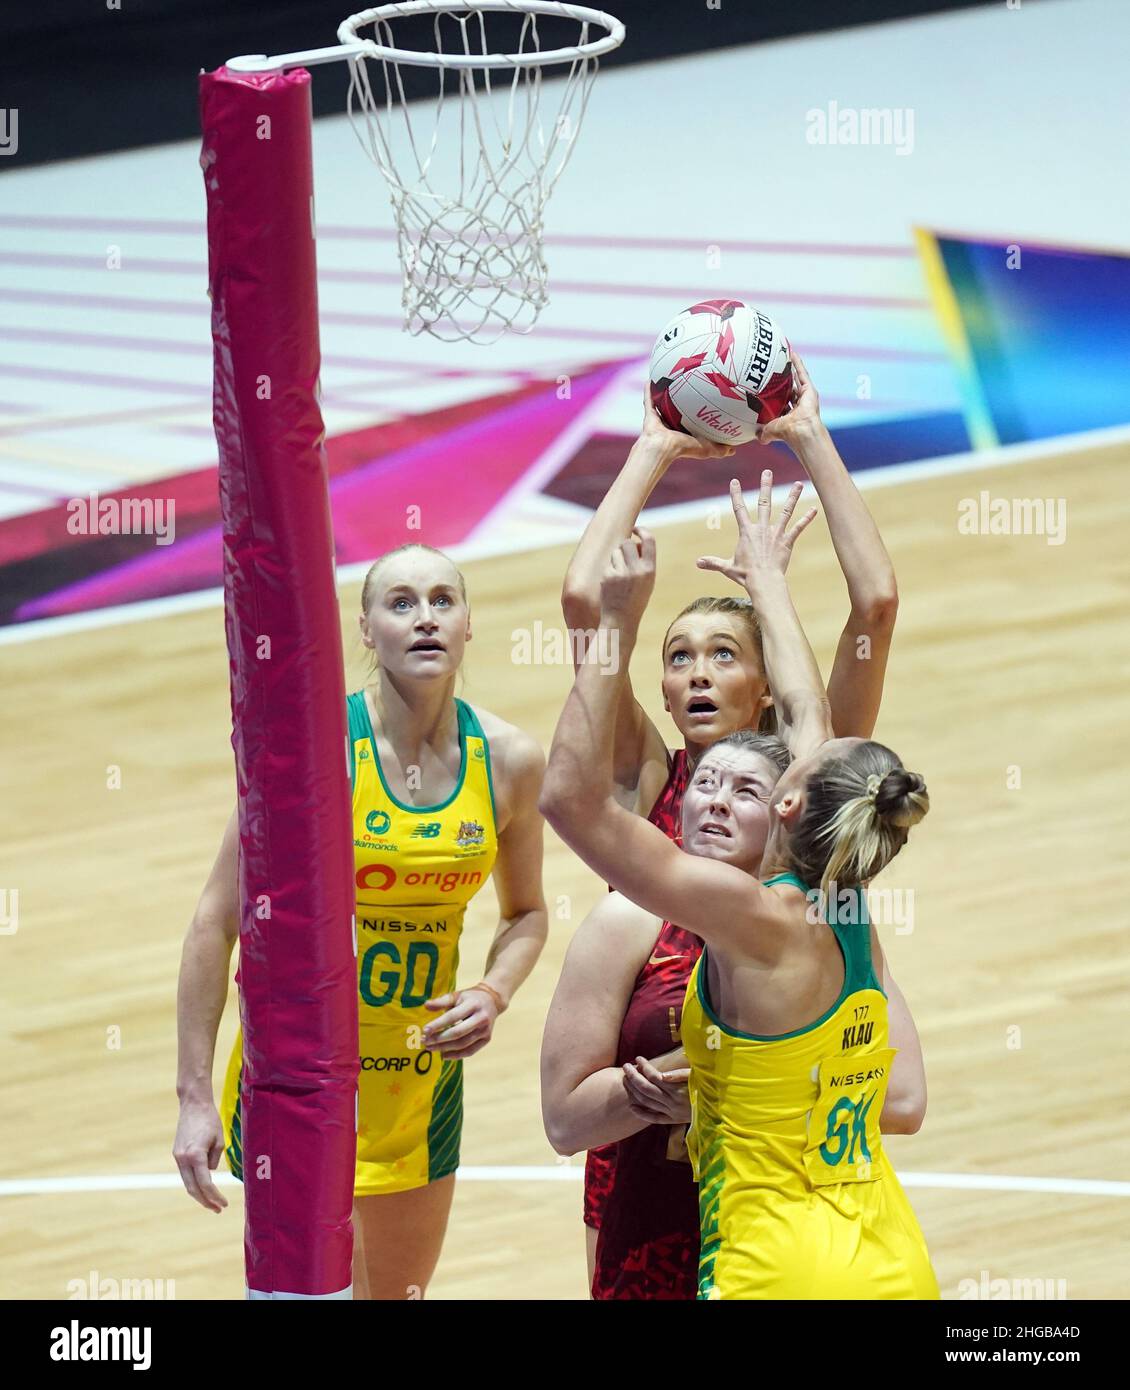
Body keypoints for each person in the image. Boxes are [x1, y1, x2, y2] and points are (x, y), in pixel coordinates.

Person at [558, 356, 919, 1294]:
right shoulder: (648, 775)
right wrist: (650, 447)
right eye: (678, 657)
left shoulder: (808, 791)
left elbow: (874, 609)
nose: (699, 675)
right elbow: (583, 606)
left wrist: (803, 443)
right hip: (651, 1163)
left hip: (769, 1172)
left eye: (725, 653)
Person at [174, 543, 548, 1299]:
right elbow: (214, 924)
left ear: (470, 625)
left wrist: (494, 991)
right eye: (401, 603)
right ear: (366, 630)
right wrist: (190, 1098)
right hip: (303, 1081)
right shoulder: (315, 760)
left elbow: (529, 912)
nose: (425, 620)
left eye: (444, 601)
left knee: (399, 1297)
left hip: (421, 1083)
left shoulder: (508, 760)